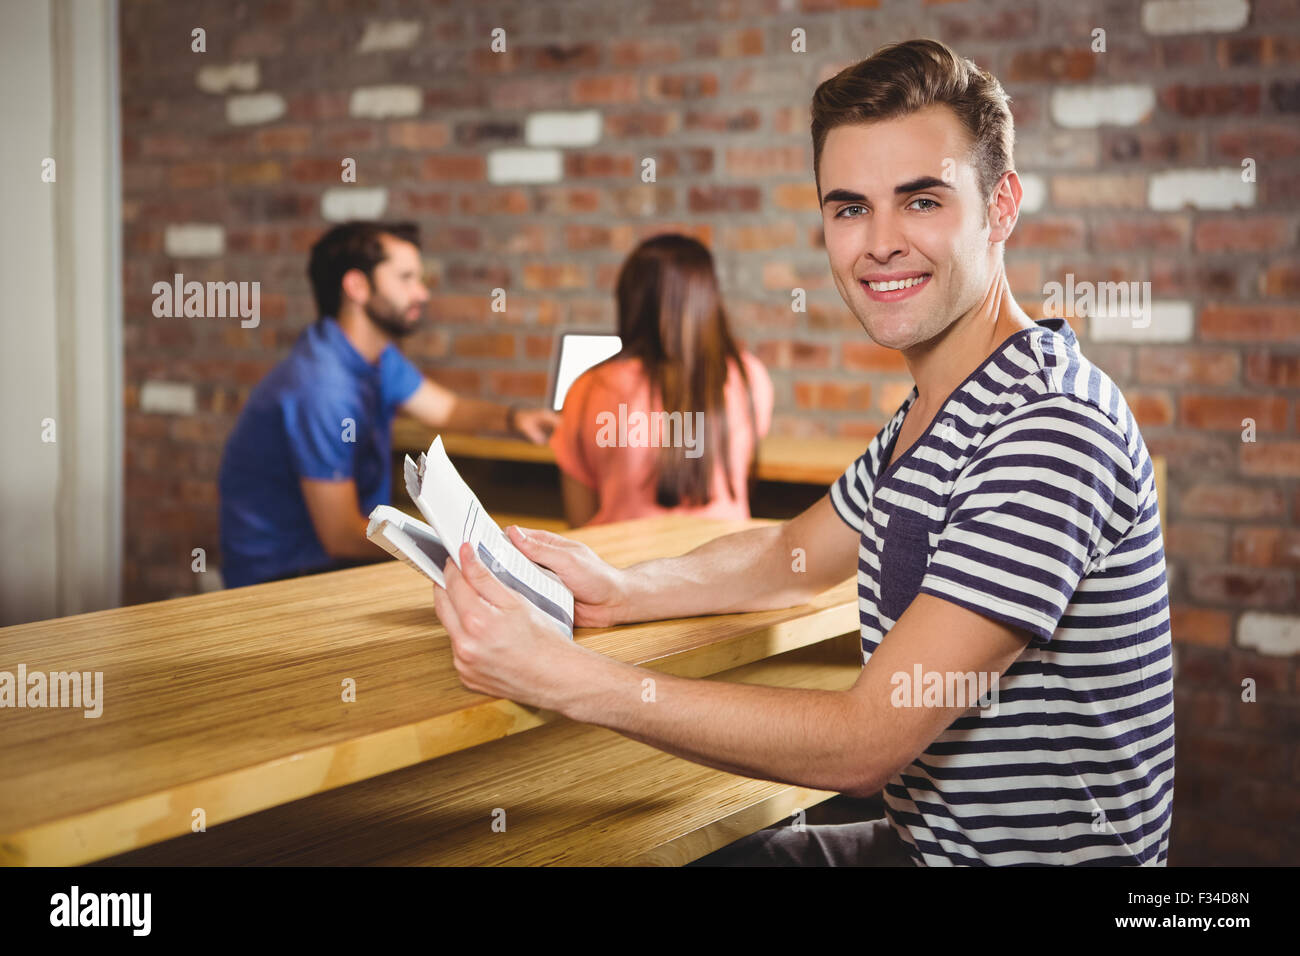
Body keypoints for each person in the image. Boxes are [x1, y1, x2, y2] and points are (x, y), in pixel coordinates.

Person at [429, 39, 1173, 866]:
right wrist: (622, 591)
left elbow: (861, 745)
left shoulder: (1048, 427)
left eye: (921, 201)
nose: (879, 243)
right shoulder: (938, 410)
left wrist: (567, 679)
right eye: (850, 208)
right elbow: (790, 554)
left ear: (1002, 207)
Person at [219, 220, 557, 588]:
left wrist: (515, 419)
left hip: (335, 561)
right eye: (406, 278)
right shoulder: (323, 387)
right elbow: (341, 535)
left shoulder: (377, 357)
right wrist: (459, 551)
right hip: (283, 579)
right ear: (357, 287)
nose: (422, 293)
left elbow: (445, 409)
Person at [549, 234, 774, 527]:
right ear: (707, 299)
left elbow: (580, 525)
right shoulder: (750, 378)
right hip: (722, 565)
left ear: (630, 301)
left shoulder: (589, 388)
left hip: (621, 567)